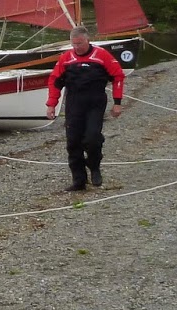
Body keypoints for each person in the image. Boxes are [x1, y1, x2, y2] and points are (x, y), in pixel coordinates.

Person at [46, 26, 126, 191]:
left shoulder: (101, 55)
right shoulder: (66, 59)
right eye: (74, 44)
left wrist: (117, 102)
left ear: (87, 40)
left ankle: (94, 166)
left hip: (95, 101)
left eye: (80, 43)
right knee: (73, 142)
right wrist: (51, 104)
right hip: (74, 102)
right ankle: (79, 180)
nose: (77, 47)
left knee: (92, 138)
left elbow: (118, 76)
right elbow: (54, 81)